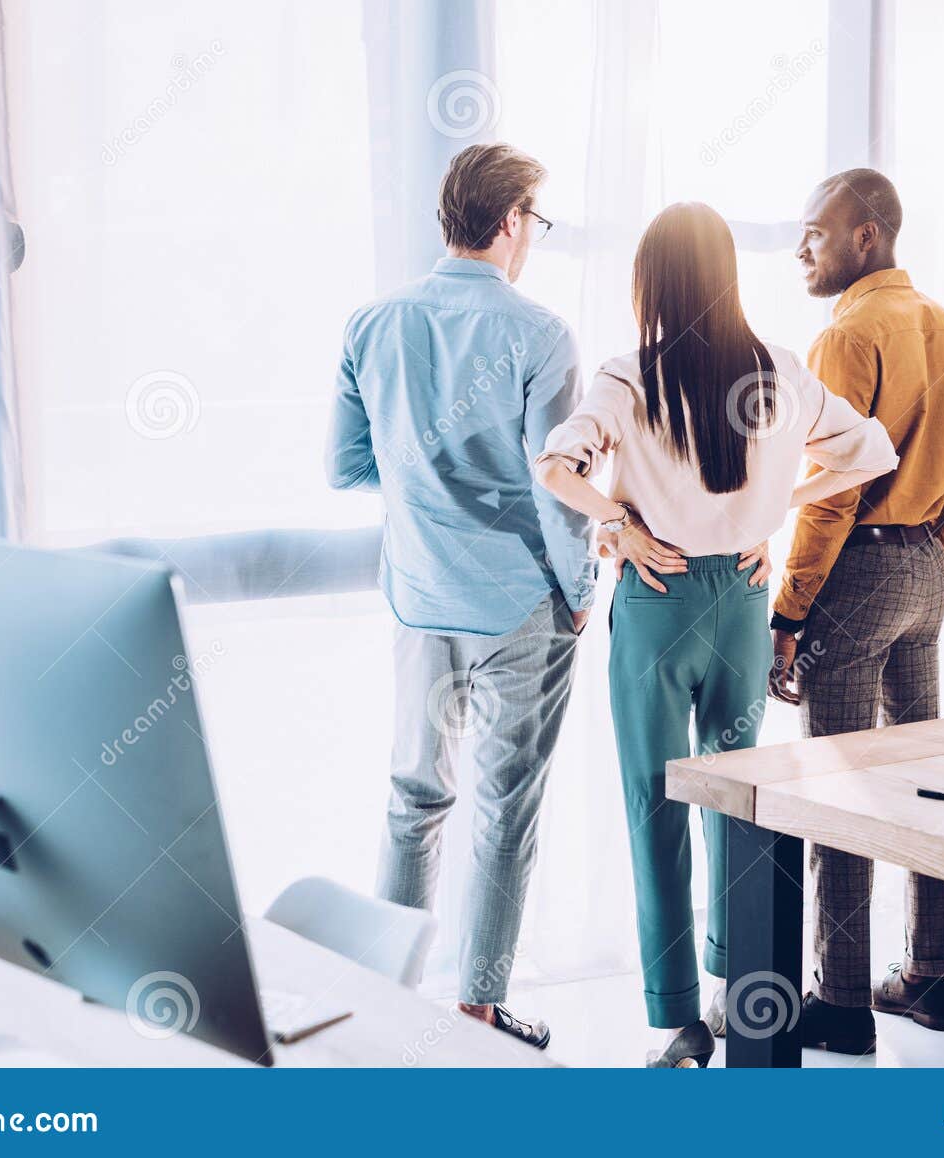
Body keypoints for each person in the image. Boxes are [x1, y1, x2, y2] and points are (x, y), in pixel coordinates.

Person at [535, 202, 898, 1067]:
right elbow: (871, 452)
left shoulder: (628, 378)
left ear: (652, 284)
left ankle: (678, 1019)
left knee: (652, 805)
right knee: (736, 806)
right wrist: (773, 510)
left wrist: (619, 520)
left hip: (657, 605)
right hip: (741, 598)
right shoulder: (778, 369)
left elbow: (554, 467)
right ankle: (743, 995)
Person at [326, 142, 595, 1049]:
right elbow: (558, 487)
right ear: (512, 220)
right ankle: (478, 1007)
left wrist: (426, 490)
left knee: (413, 795)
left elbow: (346, 466)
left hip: (416, 597)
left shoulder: (372, 323)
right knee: (503, 803)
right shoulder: (540, 332)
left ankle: (385, 1000)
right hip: (519, 604)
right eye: (537, 223)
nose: (534, 241)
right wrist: (581, 586)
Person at [767, 169, 944, 1053]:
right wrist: (923, 549)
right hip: (927, 575)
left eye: (816, 232)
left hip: (856, 572)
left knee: (840, 787)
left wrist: (789, 613)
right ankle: (932, 982)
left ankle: (844, 999)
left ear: (868, 236)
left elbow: (830, 491)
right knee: (917, 779)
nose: (802, 248)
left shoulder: (850, 333)